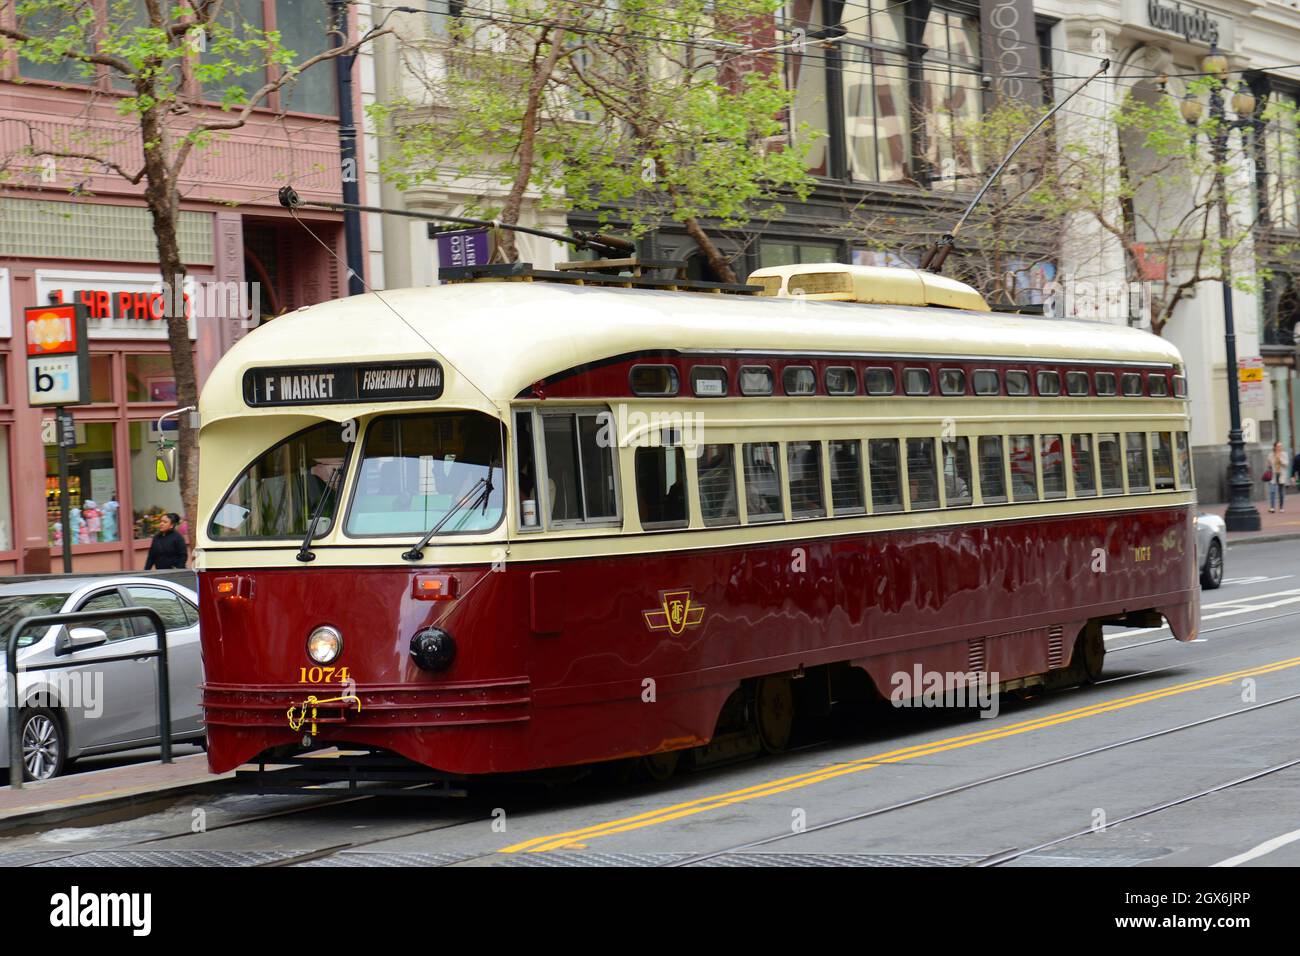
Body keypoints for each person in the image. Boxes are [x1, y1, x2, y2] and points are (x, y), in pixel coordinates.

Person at [1267, 441, 1288, 513]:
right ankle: (1272, 507)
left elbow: (1286, 464)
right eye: (1278, 446)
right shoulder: (1270, 455)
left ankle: (1281, 508)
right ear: (1275, 447)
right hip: (1274, 474)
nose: (1280, 448)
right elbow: (1269, 465)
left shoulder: (1284, 454)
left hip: (1281, 474)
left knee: (1281, 492)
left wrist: (1280, 459)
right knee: (1272, 491)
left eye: (1281, 446)